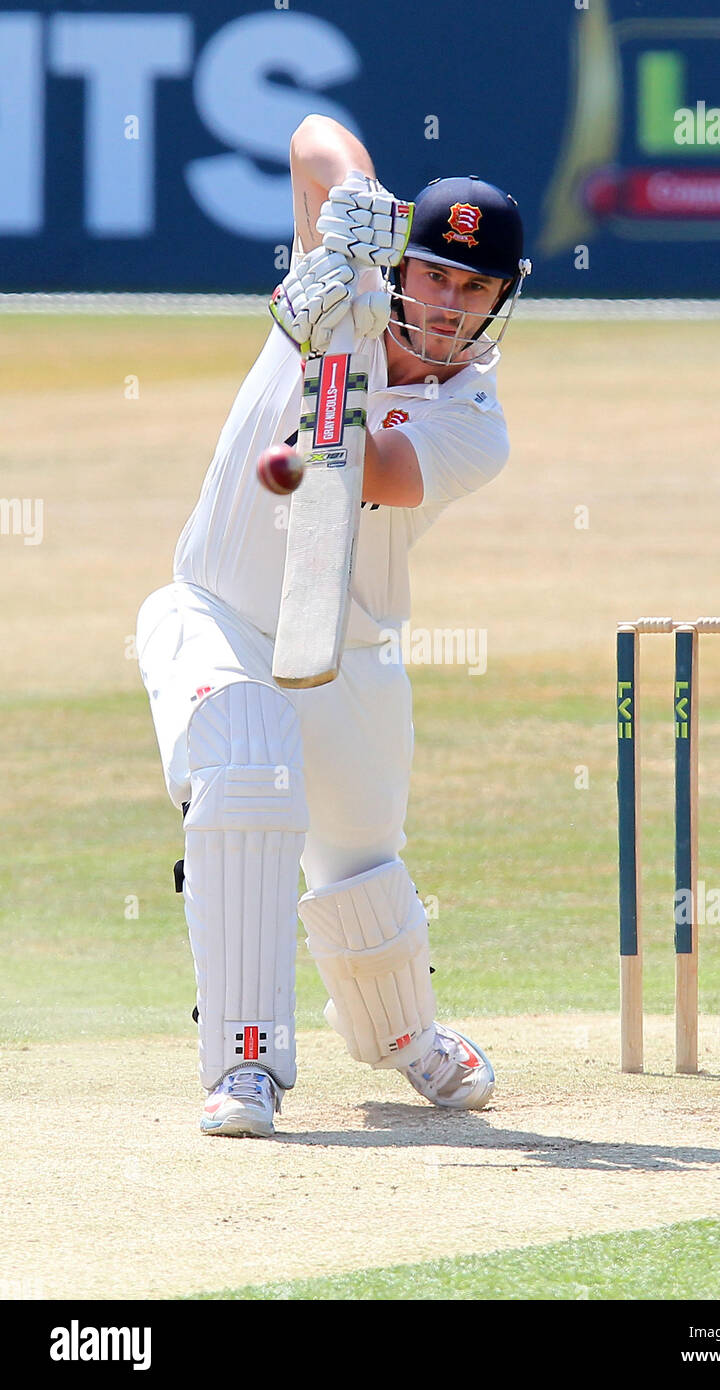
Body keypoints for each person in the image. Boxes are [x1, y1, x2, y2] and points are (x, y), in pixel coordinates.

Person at [135, 114, 530, 1137]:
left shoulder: (470, 422)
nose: (445, 305)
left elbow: (367, 473)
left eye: (472, 288)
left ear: (500, 300)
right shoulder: (346, 268)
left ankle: (406, 1035)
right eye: (434, 273)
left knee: (361, 864)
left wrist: (317, 344)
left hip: (346, 650)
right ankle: (246, 1062)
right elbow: (311, 134)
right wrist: (348, 201)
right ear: (404, 261)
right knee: (245, 769)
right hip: (215, 611)